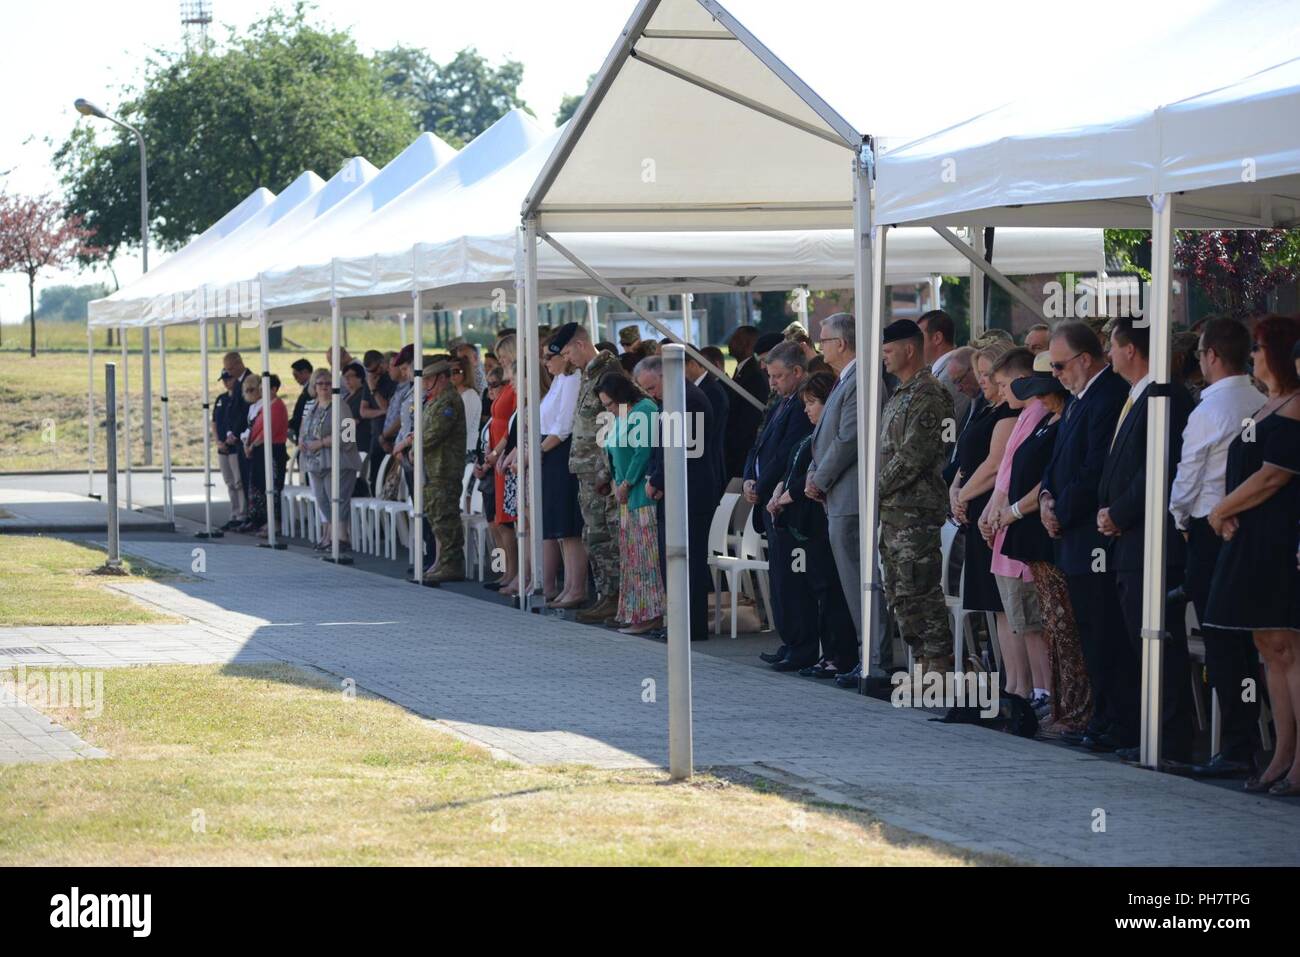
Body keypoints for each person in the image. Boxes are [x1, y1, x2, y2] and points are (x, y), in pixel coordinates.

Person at [1204, 314, 1300, 795]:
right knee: (1268, 648)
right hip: (1250, 536)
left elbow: (1274, 475)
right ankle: (1282, 751)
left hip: (1281, 541)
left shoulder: (1297, 406)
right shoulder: (1267, 404)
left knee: (1289, 647)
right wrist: (1228, 513)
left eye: (1260, 349)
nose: (1253, 357)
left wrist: (1221, 509)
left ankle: (1298, 758)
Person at [1096, 315, 1197, 763]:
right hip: (1128, 544)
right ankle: (1150, 731)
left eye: (1112, 347)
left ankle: (1169, 738)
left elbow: (1159, 467)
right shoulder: (1136, 396)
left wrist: (1118, 512)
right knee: (1141, 643)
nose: (1109, 355)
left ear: (1130, 349)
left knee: (1160, 643)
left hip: (1151, 544)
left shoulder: (1165, 396)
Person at [1171, 317, 1267, 777]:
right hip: (1252, 526)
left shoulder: (1210, 408)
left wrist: (1178, 516)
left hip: (1209, 529)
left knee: (1222, 642)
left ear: (1210, 356)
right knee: (1247, 641)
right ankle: (1249, 735)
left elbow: (1189, 473)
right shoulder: (1262, 398)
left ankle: (1236, 742)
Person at [1039, 320, 1133, 752]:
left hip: (1092, 537)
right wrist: (1044, 496)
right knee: (1089, 632)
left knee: (1105, 631)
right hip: (1070, 534)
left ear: (1084, 359)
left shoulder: (1107, 395)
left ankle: (1118, 720)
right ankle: (1103, 715)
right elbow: (1056, 461)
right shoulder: (1078, 400)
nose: (1055, 375)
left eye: (1059, 365)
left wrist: (1062, 506)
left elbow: (1096, 466)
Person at [1000, 354, 1093, 733]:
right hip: (1035, 538)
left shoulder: (1062, 419)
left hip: (1049, 534)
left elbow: (1054, 477)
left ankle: (1074, 709)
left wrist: (1019, 510)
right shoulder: (1052, 419)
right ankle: (1061, 706)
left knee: (1063, 628)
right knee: (1054, 628)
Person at [878, 318, 955, 678]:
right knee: (899, 591)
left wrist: (874, 489)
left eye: (889, 351)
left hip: (915, 511)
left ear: (910, 349)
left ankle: (938, 665)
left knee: (920, 588)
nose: (884, 358)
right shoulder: (900, 393)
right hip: (894, 512)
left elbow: (914, 456)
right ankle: (923, 663)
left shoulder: (929, 395)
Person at [769, 371, 858, 677]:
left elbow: (814, 472)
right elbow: (796, 468)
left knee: (832, 593)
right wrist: (781, 490)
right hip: (803, 525)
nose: (807, 409)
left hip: (819, 521)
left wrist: (788, 495)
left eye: (812, 403)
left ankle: (839, 655)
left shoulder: (825, 438)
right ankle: (826, 653)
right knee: (819, 591)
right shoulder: (810, 436)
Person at [983, 349, 1053, 715]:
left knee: (1032, 622)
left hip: (1022, 530)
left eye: (1003, 384)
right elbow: (1007, 472)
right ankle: (1021, 686)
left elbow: (1016, 474)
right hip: (1006, 530)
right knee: (1017, 618)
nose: (998, 391)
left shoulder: (1040, 414)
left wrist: (1005, 509)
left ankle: (1042, 689)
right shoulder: (1025, 415)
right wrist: (993, 507)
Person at [950, 340, 1020, 679]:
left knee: (1005, 605)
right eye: (978, 375)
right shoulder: (984, 408)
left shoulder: (1009, 413)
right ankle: (1007, 677)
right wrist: (956, 489)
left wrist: (963, 496)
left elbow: (994, 465)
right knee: (995, 607)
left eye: (986, 375)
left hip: (990, 512)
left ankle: (1017, 681)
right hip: (975, 510)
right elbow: (967, 459)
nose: (981, 382)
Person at [744, 342, 816, 667]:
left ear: (797, 372)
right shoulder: (781, 403)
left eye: (778, 376)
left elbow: (787, 453)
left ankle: (801, 645)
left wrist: (761, 486)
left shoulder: (803, 406)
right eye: (770, 376)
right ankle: (789, 641)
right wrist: (748, 477)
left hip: (786, 503)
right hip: (767, 499)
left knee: (793, 579)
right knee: (779, 579)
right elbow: (758, 446)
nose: (772, 382)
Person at [805, 313, 869, 674]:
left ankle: (870, 659)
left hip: (848, 496)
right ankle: (864, 656)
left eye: (824, 341)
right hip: (837, 495)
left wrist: (819, 478)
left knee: (857, 581)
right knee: (847, 582)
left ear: (841, 343)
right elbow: (828, 439)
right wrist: (815, 472)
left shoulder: (859, 381)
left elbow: (849, 439)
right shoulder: (847, 380)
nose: (820, 347)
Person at [640, 355, 718, 642]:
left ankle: (691, 626)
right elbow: (658, 445)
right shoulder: (671, 399)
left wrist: (658, 480)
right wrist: (654, 475)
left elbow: (683, 448)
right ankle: (677, 621)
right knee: (671, 560)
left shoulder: (690, 400)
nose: (651, 395)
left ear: (664, 376)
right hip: (673, 491)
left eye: (651, 388)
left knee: (690, 562)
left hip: (691, 493)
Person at [554, 323, 625, 624]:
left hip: (601, 474)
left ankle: (615, 597)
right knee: (594, 536)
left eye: (568, 351)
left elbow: (616, 424)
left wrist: (605, 472)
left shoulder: (609, 373)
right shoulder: (590, 374)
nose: (567, 359)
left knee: (606, 536)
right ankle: (606, 595)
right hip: (587, 472)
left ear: (581, 344)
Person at [598, 371, 665, 634]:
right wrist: (615, 482)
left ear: (622, 396)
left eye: (610, 405)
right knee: (633, 560)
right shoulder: (622, 415)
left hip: (641, 496)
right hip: (627, 497)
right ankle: (635, 612)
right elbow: (615, 452)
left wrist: (626, 483)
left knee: (646, 561)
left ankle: (650, 614)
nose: (609, 410)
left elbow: (642, 452)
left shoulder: (645, 410)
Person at [539, 336, 587, 609]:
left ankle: (576, 587)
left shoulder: (572, 379)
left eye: (549, 357)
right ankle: (568, 586)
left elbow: (564, 424)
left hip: (560, 451)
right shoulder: (559, 380)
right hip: (550, 448)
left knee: (568, 525)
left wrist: (540, 450)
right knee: (559, 527)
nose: (545, 363)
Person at [299, 368, 363, 553]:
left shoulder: (341, 405)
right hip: (315, 463)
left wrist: (322, 443)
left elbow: (349, 435)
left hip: (339, 462)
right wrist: (303, 442)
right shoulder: (313, 407)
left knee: (337, 499)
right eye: (320, 384)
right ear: (314, 386)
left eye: (328, 384)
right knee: (322, 499)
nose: (324, 387)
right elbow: (304, 430)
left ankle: (341, 537)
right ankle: (330, 536)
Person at [420, 357, 467, 585]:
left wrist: (413, 446)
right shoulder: (435, 400)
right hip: (433, 466)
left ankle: (451, 563)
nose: (424, 383)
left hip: (444, 467)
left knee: (445, 517)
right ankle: (441, 561)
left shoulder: (448, 400)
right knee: (436, 517)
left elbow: (434, 433)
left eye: (428, 378)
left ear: (440, 378)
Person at [482, 335, 518, 594]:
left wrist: (497, 451)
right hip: (499, 458)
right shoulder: (506, 385)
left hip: (507, 457)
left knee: (509, 520)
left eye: (504, 356)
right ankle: (508, 571)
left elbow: (514, 426)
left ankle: (515, 572)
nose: (501, 361)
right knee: (500, 519)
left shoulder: (515, 386)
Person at [243, 373, 290, 537]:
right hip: (260, 452)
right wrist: (248, 444)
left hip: (273, 451)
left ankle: (275, 523)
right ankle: (264, 521)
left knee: (272, 488)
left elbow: (268, 431)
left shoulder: (277, 406)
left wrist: (253, 445)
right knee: (262, 487)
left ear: (274, 389)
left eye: (265, 388)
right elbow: (255, 427)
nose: (261, 391)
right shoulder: (265, 406)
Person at [724, 324, 771, 482]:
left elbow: (749, 419)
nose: (731, 342)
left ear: (749, 344)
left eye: (737, 339)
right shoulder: (742, 370)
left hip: (741, 454)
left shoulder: (754, 375)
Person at [684, 351, 729, 500]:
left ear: (691, 364)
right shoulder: (701, 389)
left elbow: (704, 436)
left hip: (706, 472)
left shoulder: (711, 391)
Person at [220, 352, 254, 531]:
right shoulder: (238, 382)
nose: (229, 373)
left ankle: (248, 515)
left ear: (239, 363)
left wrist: (235, 432)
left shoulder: (249, 380)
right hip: (237, 439)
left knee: (244, 480)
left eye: (231, 368)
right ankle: (243, 515)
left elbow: (245, 412)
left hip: (244, 438)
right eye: (227, 369)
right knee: (238, 479)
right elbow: (231, 411)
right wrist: (229, 432)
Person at [287, 358, 313, 444]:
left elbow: (302, 413)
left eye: (296, 376)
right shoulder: (307, 389)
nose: (295, 379)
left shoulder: (311, 391)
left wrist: (290, 424)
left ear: (305, 372)